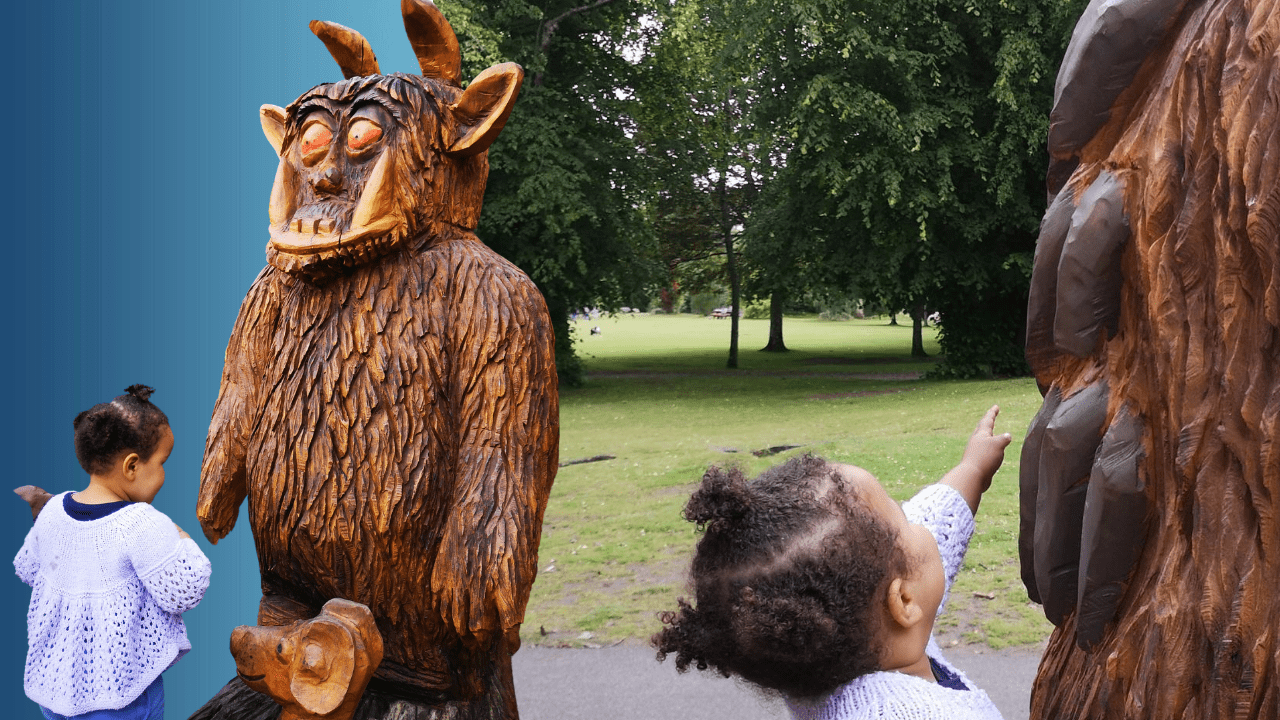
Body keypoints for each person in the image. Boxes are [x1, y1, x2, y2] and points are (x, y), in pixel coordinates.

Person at [654, 405, 1012, 720]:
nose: (920, 521)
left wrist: (973, 468)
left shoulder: (854, 645)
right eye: (904, 520)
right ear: (903, 601)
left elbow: (935, 521)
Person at [14, 385, 211, 720]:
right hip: (123, 699)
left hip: (54, 693)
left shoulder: (52, 512)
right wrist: (183, 538)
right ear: (132, 466)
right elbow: (187, 589)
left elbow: (28, 569)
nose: (164, 474)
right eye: (163, 462)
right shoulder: (142, 523)